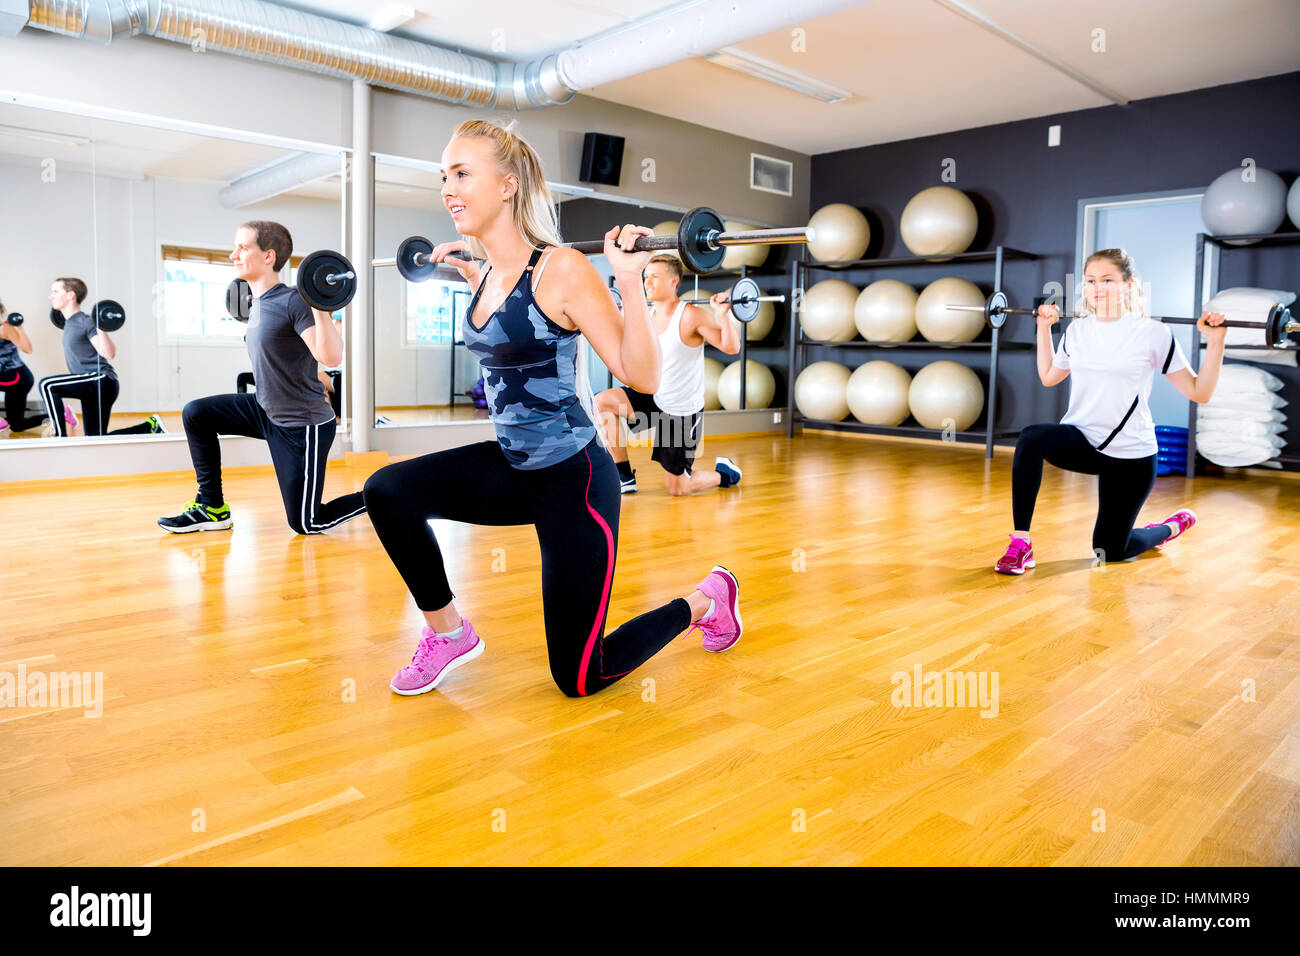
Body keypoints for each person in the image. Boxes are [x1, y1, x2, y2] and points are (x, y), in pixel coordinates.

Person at [363, 119, 742, 699]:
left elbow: (642, 376)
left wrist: (628, 279)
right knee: (388, 492)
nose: (448, 189)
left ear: (508, 185)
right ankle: (449, 633)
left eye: (462, 173)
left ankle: (705, 600)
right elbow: (513, 333)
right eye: (443, 177)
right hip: (514, 467)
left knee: (580, 676)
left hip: (573, 480)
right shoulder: (488, 273)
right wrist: (475, 270)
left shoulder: (562, 268)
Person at [995, 248, 1227, 575]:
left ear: (1128, 285)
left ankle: (1169, 528)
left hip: (1130, 456)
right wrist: (1044, 329)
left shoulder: (1153, 333)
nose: (1097, 288)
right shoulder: (1077, 330)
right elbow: (1049, 377)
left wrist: (1216, 342)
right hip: (1084, 443)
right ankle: (1021, 544)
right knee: (1032, 437)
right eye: (1090, 281)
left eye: (1107, 280)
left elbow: (1199, 392)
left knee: (1109, 550)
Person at [158, 221, 366, 535]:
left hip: (301, 424)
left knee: (307, 522)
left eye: (242, 248)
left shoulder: (295, 300)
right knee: (197, 414)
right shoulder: (257, 302)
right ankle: (212, 507)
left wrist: (320, 304)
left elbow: (331, 357)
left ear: (268, 257)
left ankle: (380, 494)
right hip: (265, 409)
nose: (233, 255)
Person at [594, 254, 743, 495]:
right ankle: (623, 476)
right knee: (602, 403)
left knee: (678, 488)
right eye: (646, 277)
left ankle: (725, 473)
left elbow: (731, 347)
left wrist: (723, 315)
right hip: (652, 396)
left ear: (674, 282)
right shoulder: (647, 315)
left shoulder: (691, 316)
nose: (647, 282)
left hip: (680, 409)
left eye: (655, 277)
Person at [38, 278, 165, 437]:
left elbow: (108, 353)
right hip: (90, 384)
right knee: (95, 438)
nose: (51, 296)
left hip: (100, 380)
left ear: (71, 295)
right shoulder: (69, 323)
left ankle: (58, 437)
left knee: (47, 385)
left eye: (56, 291)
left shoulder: (86, 321)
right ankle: (149, 427)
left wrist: (100, 325)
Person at [0, 300, 50, 434]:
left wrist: (20, 329)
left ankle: (60, 414)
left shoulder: (5, 328)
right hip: (5, 378)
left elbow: (27, 349)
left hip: (18, 379)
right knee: (15, 424)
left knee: (17, 425)